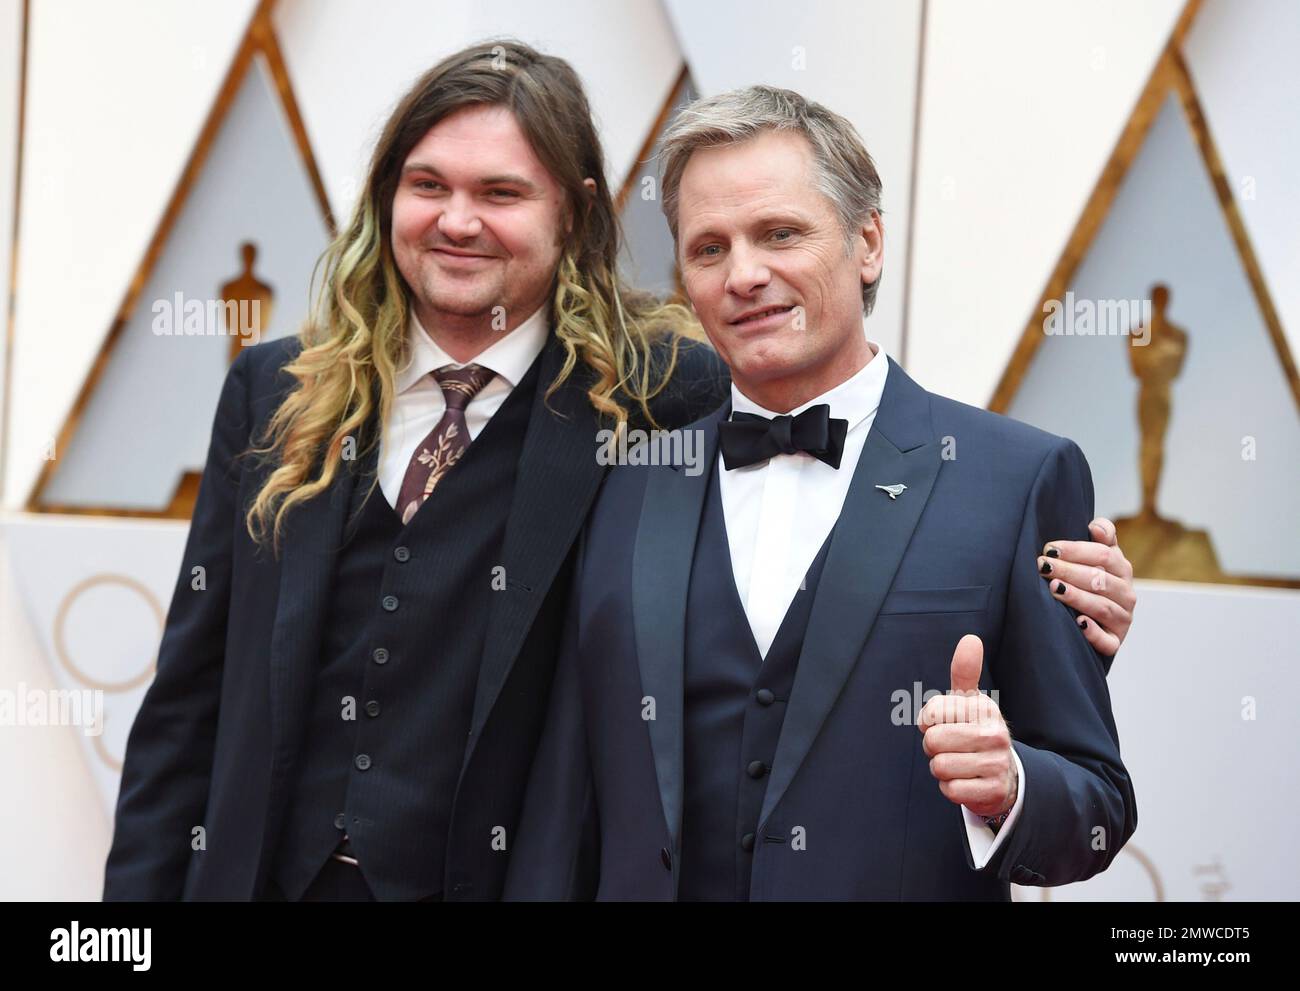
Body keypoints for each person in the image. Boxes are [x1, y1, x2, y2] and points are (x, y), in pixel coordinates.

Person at [105, 45, 1133, 902]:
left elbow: (1075, 774)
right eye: (428, 185)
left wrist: (1054, 631)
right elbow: (187, 701)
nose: (458, 220)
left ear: (573, 213)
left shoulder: (646, 400)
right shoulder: (278, 388)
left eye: (501, 192)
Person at [505, 85, 1137, 900]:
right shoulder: (625, 483)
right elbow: (566, 799)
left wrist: (1008, 785)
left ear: (866, 241)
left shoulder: (1018, 478)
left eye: (779, 234)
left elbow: (1098, 801)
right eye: (708, 248)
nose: (745, 275)